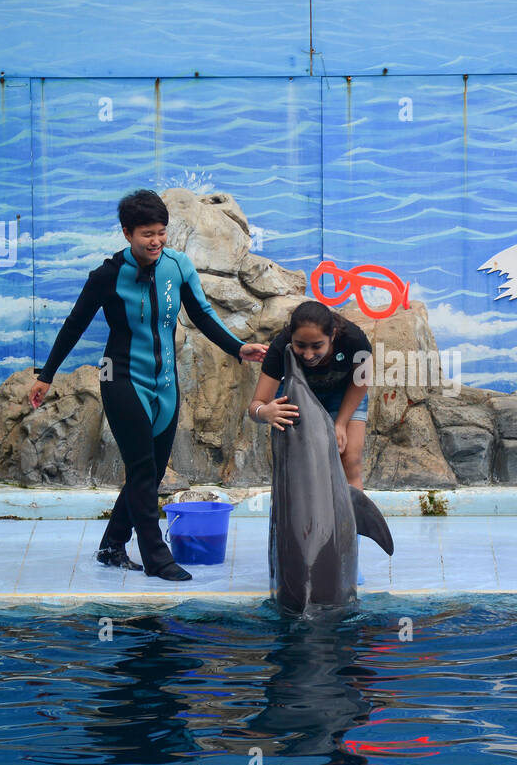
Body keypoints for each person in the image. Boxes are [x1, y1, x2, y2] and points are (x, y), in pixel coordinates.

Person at [27, 190, 267, 580]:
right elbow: (75, 325)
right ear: (127, 234)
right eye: (146, 234)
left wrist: (240, 348)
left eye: (160, 232)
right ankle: (156, 555)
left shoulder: (178, 265)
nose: (155, 241)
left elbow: (203, 316)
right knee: (141, 471)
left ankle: (111, 545)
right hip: (120, 377)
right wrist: (46, 375)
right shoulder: (106, 276)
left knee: (151, 473)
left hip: (166, 382)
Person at [247, 301, 371, 488]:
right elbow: (256, 404)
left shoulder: (354, 340)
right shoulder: (280, 348)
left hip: (344, 394)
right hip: (297, 397)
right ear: (292, 338)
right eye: (300, 345)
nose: (307, 354)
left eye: (317, 346)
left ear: (333, 335)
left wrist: (341, 423)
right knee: (298, 467)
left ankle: (354, 517)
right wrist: (264, 412)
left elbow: (361, 382)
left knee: (350, 460)